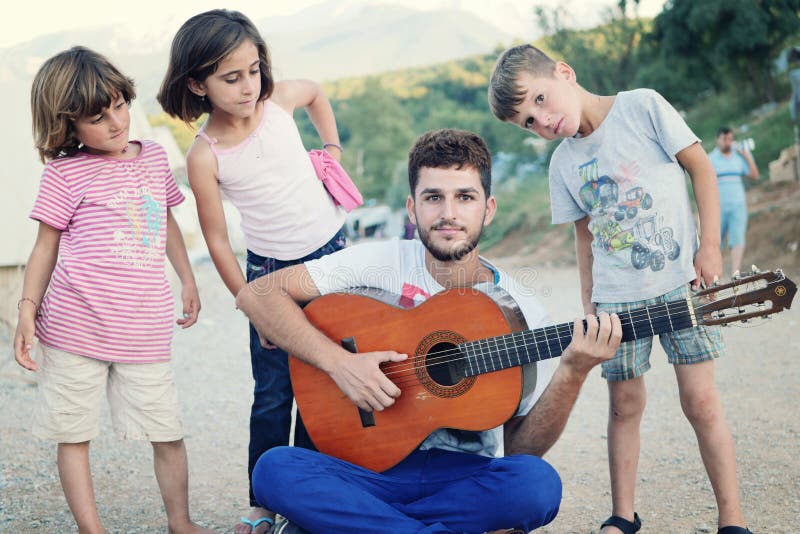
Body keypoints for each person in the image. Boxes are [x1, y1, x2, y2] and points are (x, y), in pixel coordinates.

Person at [235, 128, 623, 533]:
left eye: (465, 197)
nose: (448, 213)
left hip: (457, 480)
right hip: (364, 472)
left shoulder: (522, 311)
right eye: (433, 197)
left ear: (488, 209)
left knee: (536, 485)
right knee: (274, 469)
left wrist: (573, 372)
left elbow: (522, 448)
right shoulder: (380, 260)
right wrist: (340, 364)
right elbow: (258, 294)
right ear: (412, 207)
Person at [488, 45, 752, 534]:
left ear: (564, 73)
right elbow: (583, 237)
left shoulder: (642, 106)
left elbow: (701, 168)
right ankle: (623, 515)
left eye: (541, 101)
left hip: (681, 282)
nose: (543, 121)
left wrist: (710, 245)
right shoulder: (563, 165)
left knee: (701, 402)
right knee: (623, 405)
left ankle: (732, 518)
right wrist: (590, 302)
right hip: (616, 301)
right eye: (528, 122)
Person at [157, 9, 348, 533]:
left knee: (325, 379)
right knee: (274, 393)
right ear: (197, 83)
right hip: (269, 276)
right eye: (231, 77)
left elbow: (316, 93)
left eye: (254, 70)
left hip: (332, 256)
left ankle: (309, 494)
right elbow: (217, 241)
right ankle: (264, 501)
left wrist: (331, 147)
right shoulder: (205, 154)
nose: (249, 86)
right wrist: (254, 306)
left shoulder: (279, 102)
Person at [13, 46, 210, 534]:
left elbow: (166, 224)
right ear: (67, 126)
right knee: (73, 432)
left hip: (142, 330)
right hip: (73, 326)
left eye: (120, 105)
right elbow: (44, 249)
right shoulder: (63, 173)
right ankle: (91, 528)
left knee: (166, 430)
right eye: (98, 117)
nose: (117, 121)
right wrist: (25, 310)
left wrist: (187, 277)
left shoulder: (155, 158)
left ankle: (180, 522)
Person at [708, 127, 759, 276]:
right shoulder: (710, 159)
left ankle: (735, 274)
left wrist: (747, 155)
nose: (728, 143)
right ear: (718, 139)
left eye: (730, 139)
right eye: (724, 139)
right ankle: (714, 276)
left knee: (737, 239)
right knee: (715, 242)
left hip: (738, 206)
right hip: (718, 207)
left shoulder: (739, 158)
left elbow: (755, 175)